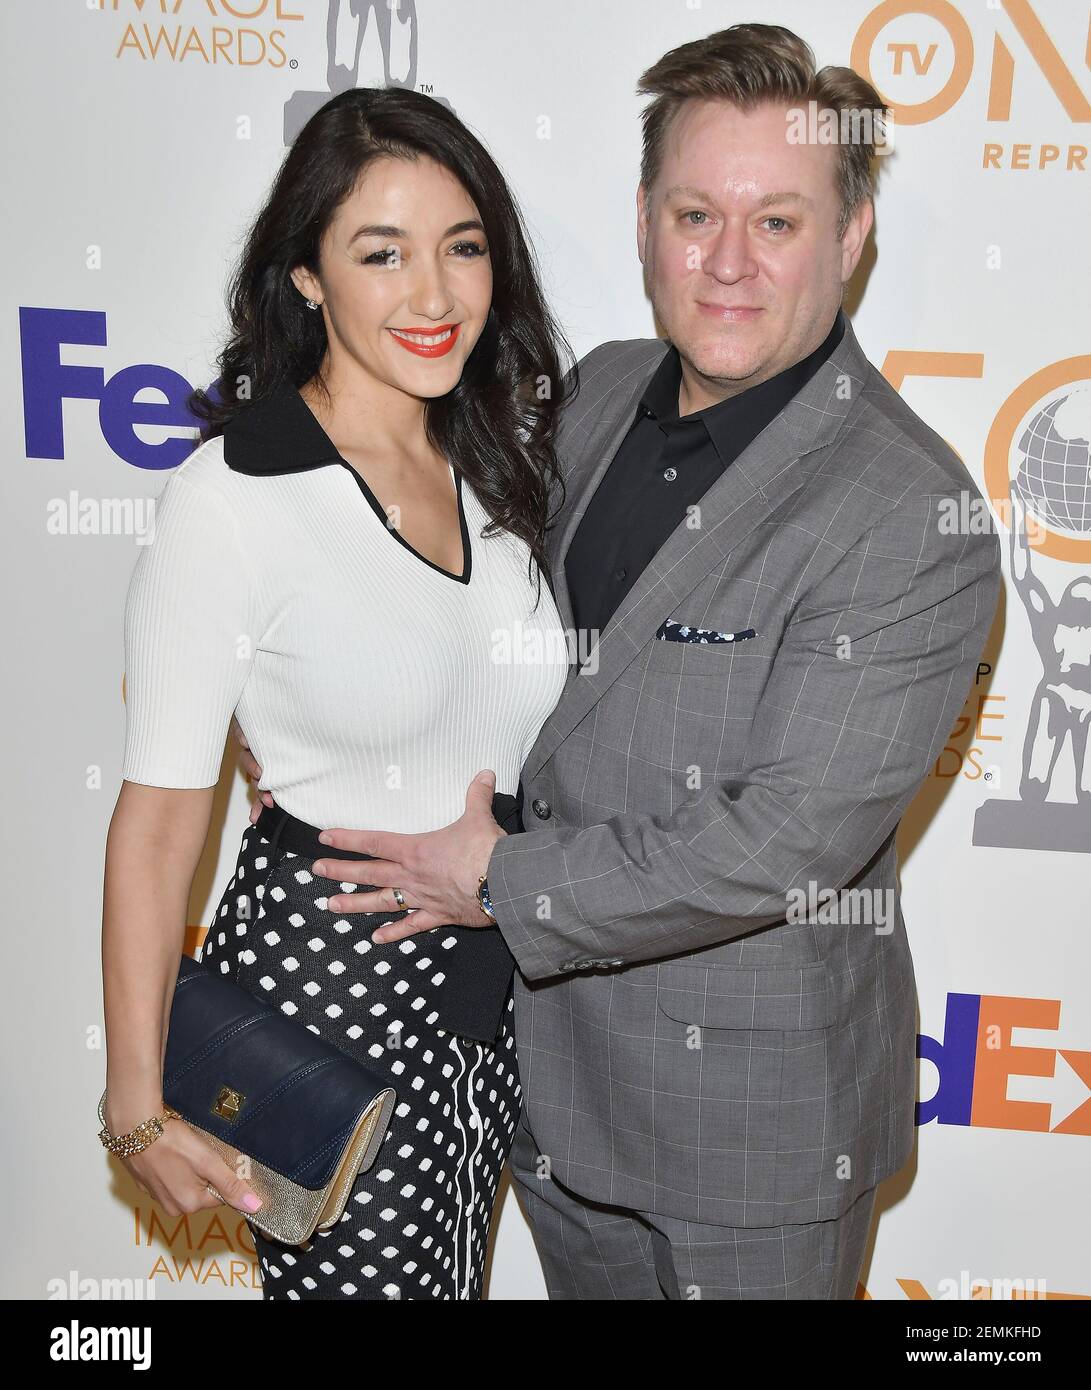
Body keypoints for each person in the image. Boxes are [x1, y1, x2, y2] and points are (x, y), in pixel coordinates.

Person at [250, 24, 1002, 1299]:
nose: (725, 263)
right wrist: (357, 753)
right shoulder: (594, 392)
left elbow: (778, 842)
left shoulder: (905, 516)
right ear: (645, 218)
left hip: (748, 1146)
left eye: (776, 222)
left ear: (850, 238)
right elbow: (496, 644)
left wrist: (493, 876)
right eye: (694, 211)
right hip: (545, 1096)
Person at [100, 85, 573, 1301]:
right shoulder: (234, 493)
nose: (433, 294)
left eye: (461, 248)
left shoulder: (503, 462)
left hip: (494, 985)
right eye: (381, 253)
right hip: (332, 999)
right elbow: (159, 822)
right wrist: (136, 1103)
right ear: (305, 274)